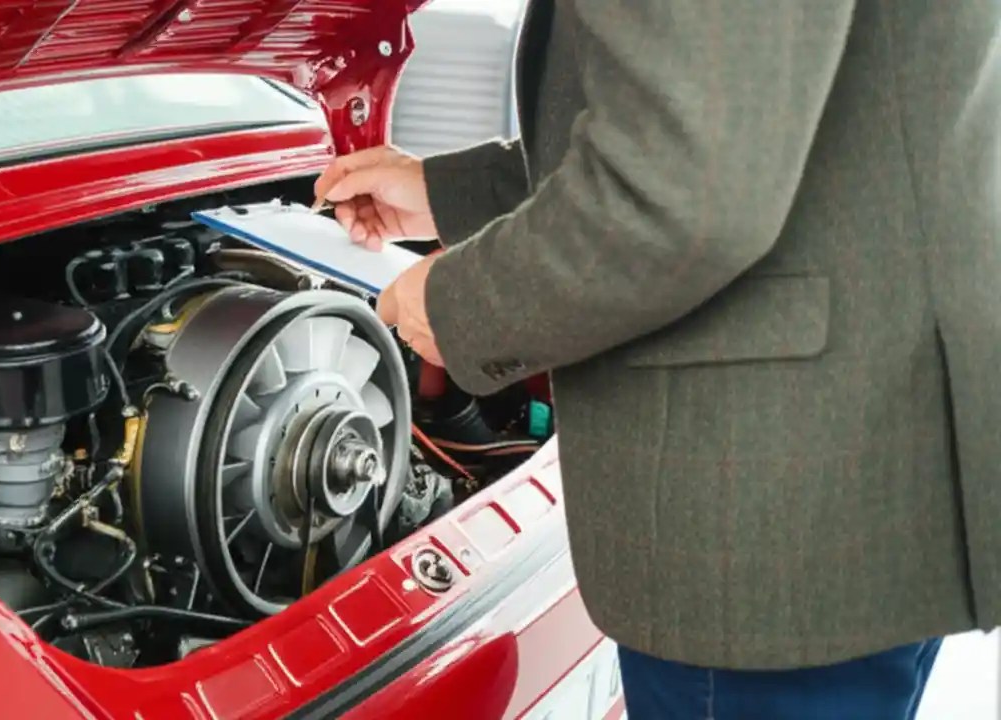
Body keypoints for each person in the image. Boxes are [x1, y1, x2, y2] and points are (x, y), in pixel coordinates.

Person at [312, 1, 1000, 717]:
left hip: (765, 501)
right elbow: (743, 108)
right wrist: (450, 193)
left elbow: (681, 187)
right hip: (853, 440)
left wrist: (459, 307)